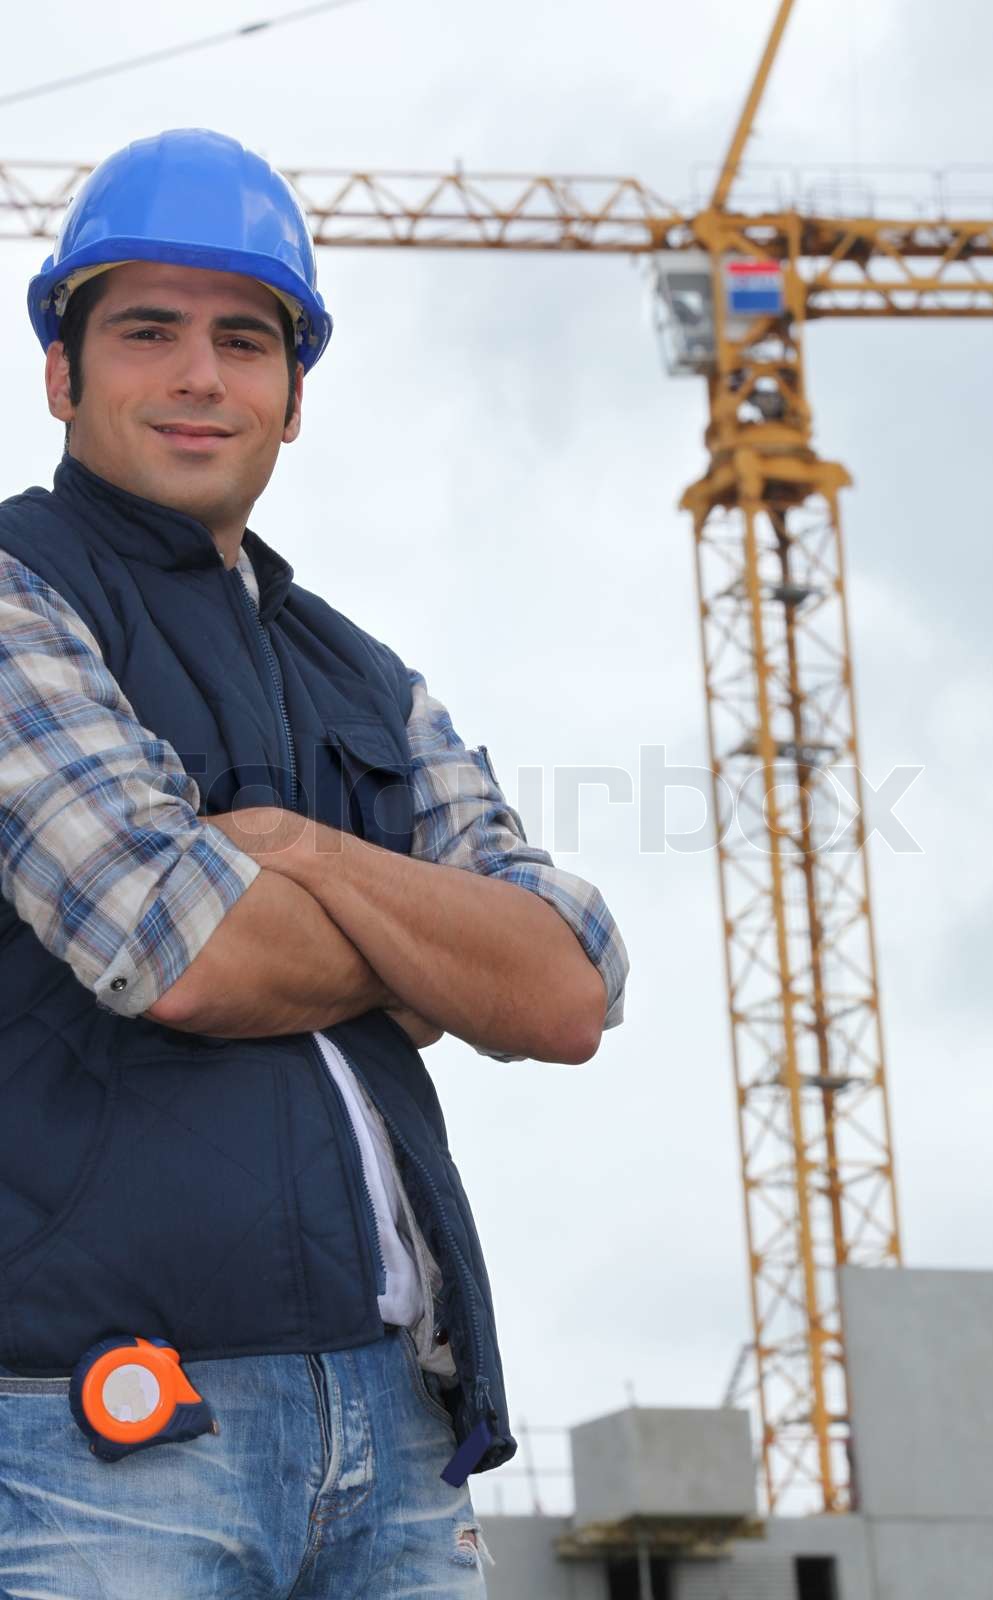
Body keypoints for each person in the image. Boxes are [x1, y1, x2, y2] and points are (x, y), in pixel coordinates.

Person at [0, 128, 628, 1598]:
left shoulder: (360, 674)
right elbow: (183, 948)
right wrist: (423, 959)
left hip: (401, 1439)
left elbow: (562, 986)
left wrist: (288, 847)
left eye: (243, 339)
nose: (200, 375)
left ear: (294, 399)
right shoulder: (20, 598)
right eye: (146, 331)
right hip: (104, 1438)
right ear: (63, 372)